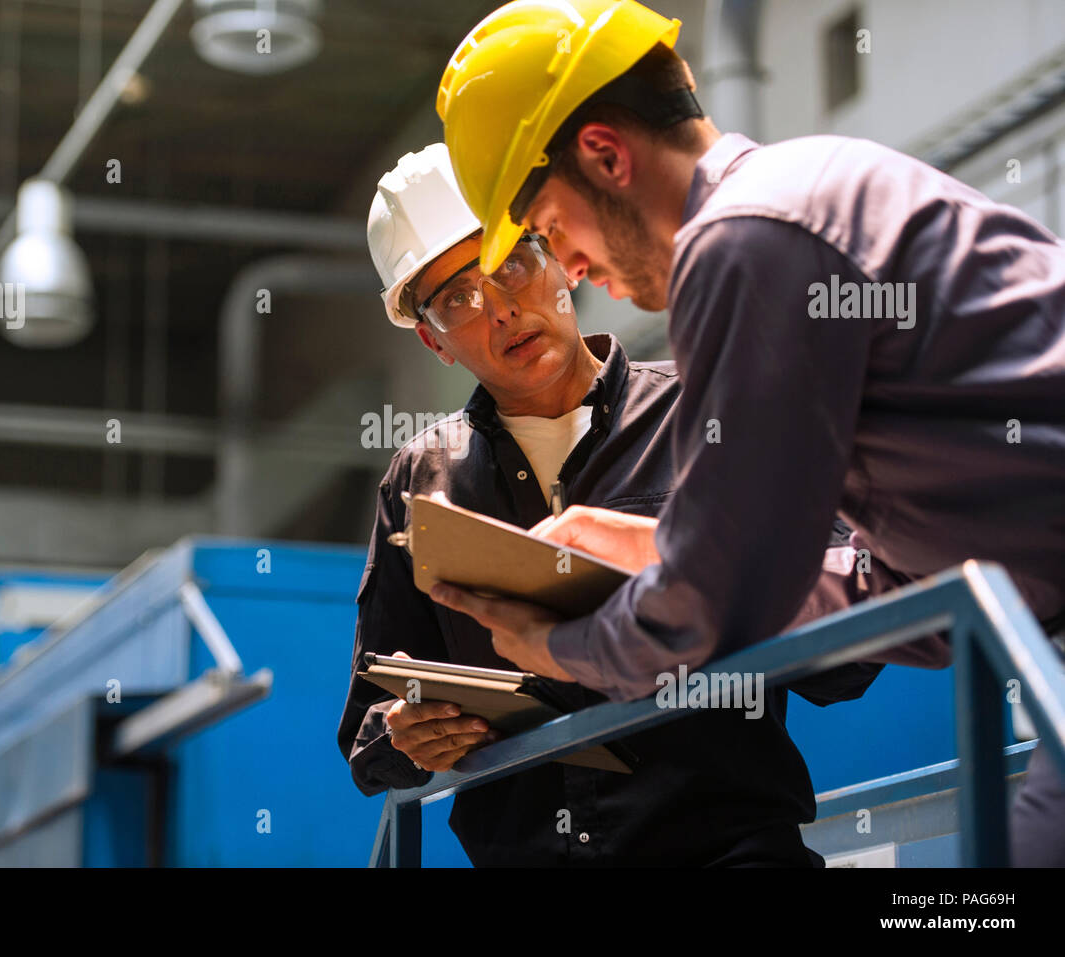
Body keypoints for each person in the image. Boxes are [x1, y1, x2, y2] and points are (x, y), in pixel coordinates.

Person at [431, 0, 1065, 866]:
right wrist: (661, 549)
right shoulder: (799, 199)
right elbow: (887, 587)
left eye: (547, 231)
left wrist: (556, 646)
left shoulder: (746, 243)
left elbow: (713, 608)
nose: (569, 267)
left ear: (606, 155)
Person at [337, 143, 889, 867]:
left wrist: (701, 594)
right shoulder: (421, 482)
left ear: (560, 261)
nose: (501, 307)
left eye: (511, 263)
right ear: (435, 342)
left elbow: (851, 650)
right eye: (458, 299)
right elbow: (369, 728)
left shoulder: (709, 416)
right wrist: (405, 731)